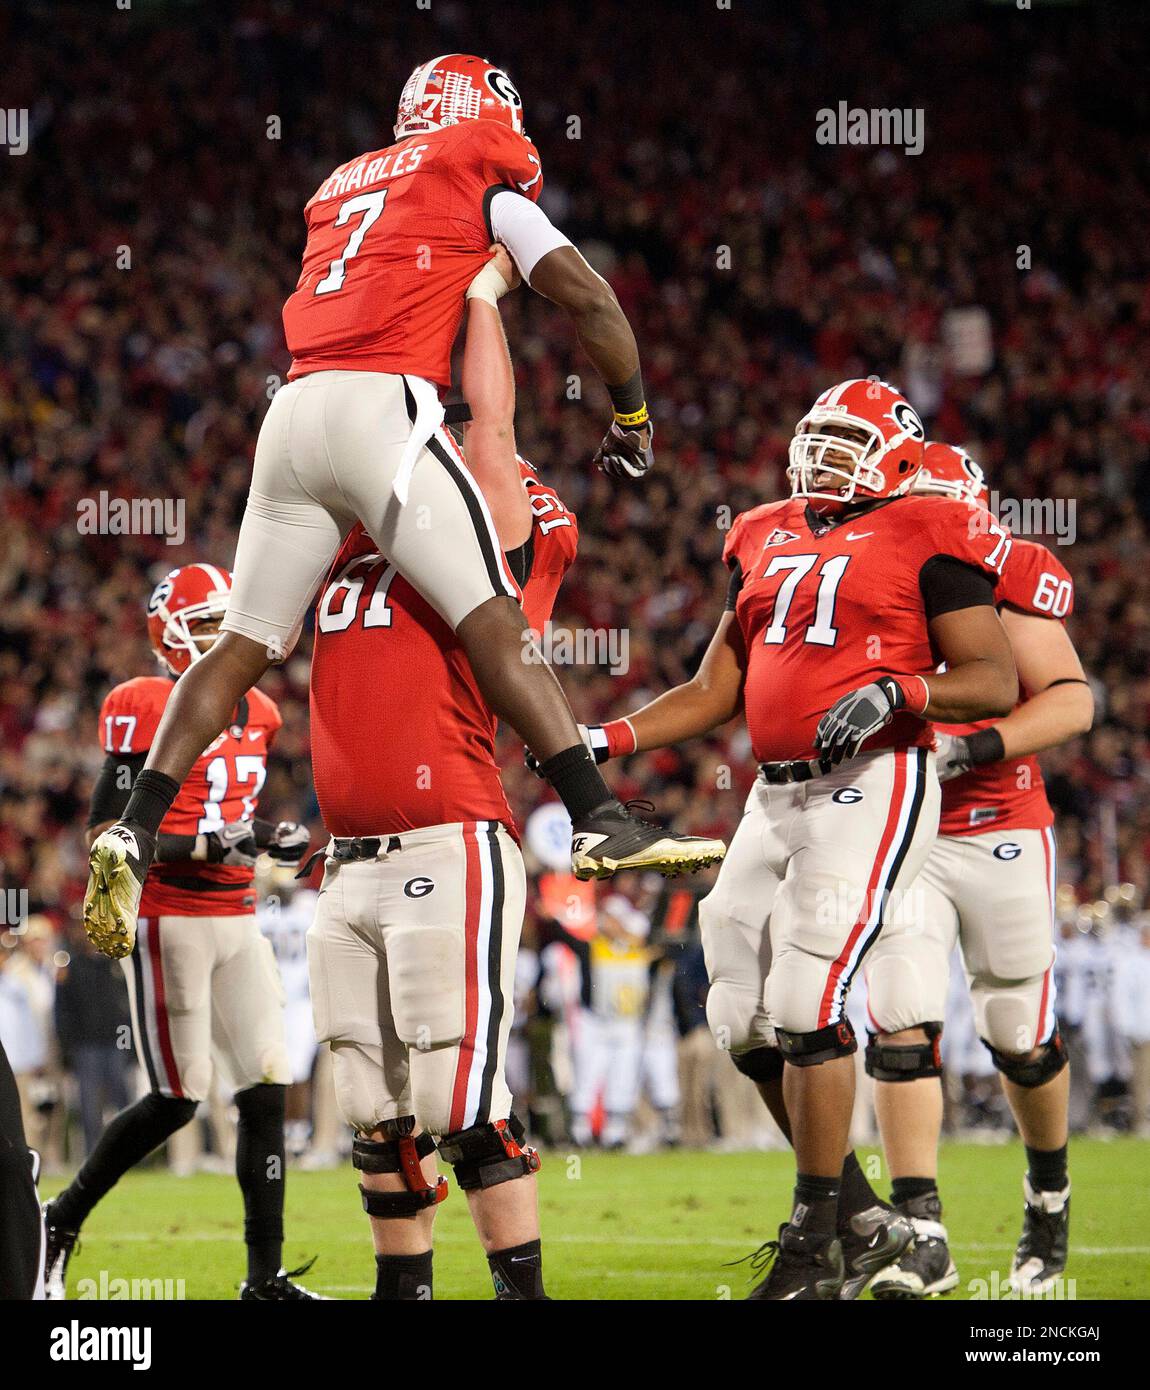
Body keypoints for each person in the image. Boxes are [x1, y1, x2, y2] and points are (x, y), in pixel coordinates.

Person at [81, 54, 725, 968]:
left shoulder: (341, 183)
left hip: (293, 411)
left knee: (246, 641)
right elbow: (590, 296)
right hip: (381, 410)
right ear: (482, 110)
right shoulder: (476, 171)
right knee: (492, 612)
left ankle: (136, 828)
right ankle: (598, 818)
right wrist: (630, 408)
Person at [554, 379, 1020, 1298]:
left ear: (894, 450)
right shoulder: (763, 528)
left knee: (809, 994)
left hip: (872, 783)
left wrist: (901, 691)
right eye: (816, 434)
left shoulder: (933, 529)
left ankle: (811, 1249)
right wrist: (603, 739)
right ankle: (863, 1218)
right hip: (773, 796)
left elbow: (994, 678)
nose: (823, 452)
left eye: (847, 437)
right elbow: (714, 688)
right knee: (736, 1008)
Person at [303, 260, 576, 1300]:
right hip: (349, 858)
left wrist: (477, 297)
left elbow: (490, 432)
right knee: (370, 1104)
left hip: (446, 841)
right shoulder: (353, 542)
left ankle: (519, 1292)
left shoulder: (493, 545)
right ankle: (402, 1295)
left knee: (460, 1092)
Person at [43, 566, 318, 1300]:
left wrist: (267, 840)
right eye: (206, 624)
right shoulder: (143, 702)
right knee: (178, 1095)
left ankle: (264, 1279)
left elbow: (235, 826)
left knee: (265, 1084)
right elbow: (110, 834)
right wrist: (210, 844)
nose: (223, 637)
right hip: (170, 916)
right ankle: (59, 1220)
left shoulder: (260, 708)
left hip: (238, 915)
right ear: (168, 632)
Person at [862, 443, 1094, 1298]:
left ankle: (1049, 1189)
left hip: (997, 821)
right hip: (898, 827)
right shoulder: (855, 567)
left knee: (1019, 1035)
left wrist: (975, 747)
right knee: (900, 1020)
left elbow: (1071, 698)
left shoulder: (1007, 571)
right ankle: (922, 1230)